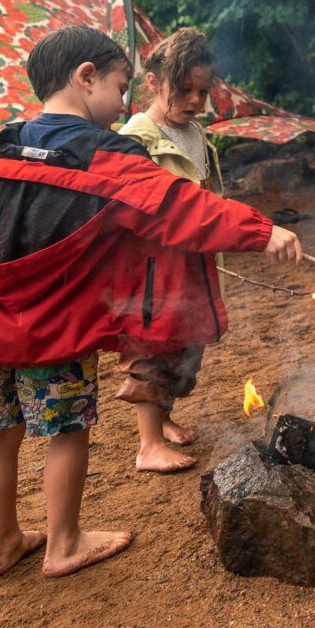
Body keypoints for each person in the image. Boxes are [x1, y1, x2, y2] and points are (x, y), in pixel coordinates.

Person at [0, 25, 303, 578]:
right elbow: (177, 204)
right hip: (49, 327)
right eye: (120, 85)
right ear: (86, 78)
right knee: (67, 429)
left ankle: (4, 541)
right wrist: (260, 231)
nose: (125, 100)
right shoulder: (101, 152)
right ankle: (63, 543)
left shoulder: (3, 142)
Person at [115, 26, 224, 473]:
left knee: (185, 344)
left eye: (203, 91)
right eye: (184, 90)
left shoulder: (196, 133)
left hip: (193, 262)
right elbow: (132, 208)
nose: (196, 101)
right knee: (151, 348)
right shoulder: (136, 136)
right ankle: (148, 444)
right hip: (151, 267)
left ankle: (165, 420)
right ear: (154, 83)